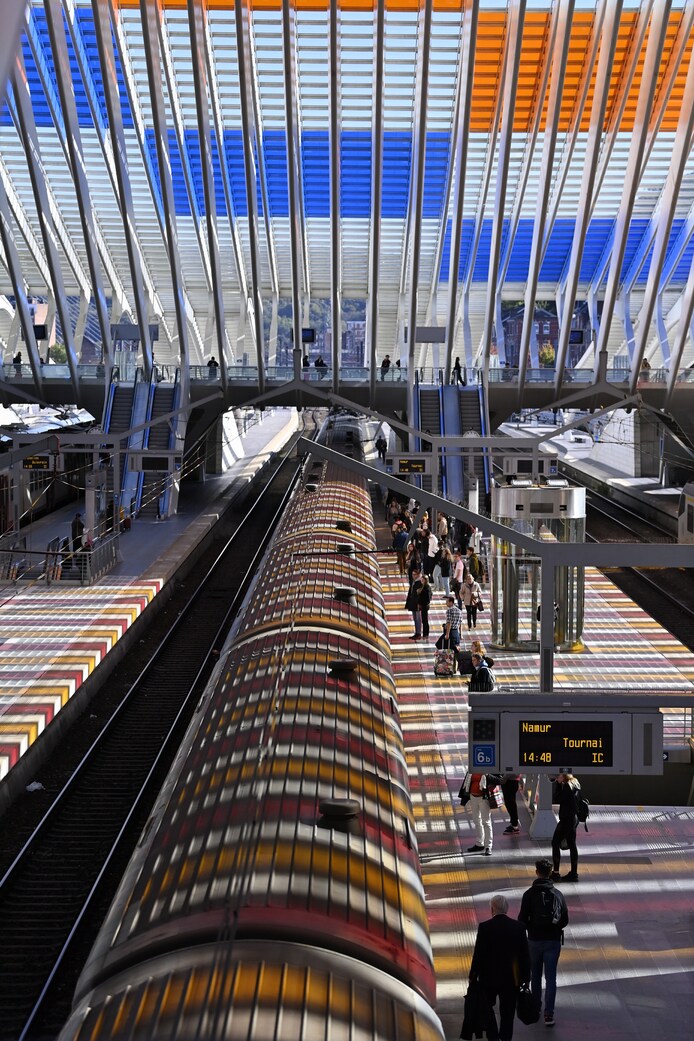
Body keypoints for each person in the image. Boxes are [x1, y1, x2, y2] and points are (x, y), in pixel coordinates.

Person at [469, 894, 530, 1041]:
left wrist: (473, 976)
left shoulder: (485, 928)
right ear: (507, 909)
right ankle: (505, 1037)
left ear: (492, 909)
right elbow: (525, 955)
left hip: (489, 978)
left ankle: (493, 1036)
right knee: (508, 1013)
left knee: (487, 1007)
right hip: (511, 979)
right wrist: (526, 977)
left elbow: (478, 955)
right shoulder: (519, 927)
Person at [518, 859, 569, 1028]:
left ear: (536, 872)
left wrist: (531, 929)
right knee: (551, 978)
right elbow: (565, 920)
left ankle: (536, 1008)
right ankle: (549, 1014)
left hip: (534, 940)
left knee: (535, 976)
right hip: (553, 941)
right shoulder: (558, 894)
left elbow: (521, 920)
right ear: (550, 872)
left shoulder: (529, 894)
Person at [551, 772, 582, 882]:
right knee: (572, 844)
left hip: (566, 819)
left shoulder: (567, 786)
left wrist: (558, 785)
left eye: (558, 775)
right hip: (574, 818)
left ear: (564, 775)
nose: (556, 778)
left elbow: (557, 798)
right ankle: (574, 873)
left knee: (555, 843)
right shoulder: (575, 782)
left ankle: (555, 873)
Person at [461, 772, 500, 855]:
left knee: (486, 822)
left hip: (484, 798)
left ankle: (488, 846)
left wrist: (487, 775)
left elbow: (499, 780)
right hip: (473, 797)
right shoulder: (472, 768)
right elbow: (467, 781)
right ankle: (479, 843)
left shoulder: (490, 769)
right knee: (476, 820)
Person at [405, 569, 431, 641]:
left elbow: (421, 595)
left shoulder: (420, 583)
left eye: (414, 574)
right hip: (413, 603)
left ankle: (418, 633)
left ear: (418, 575)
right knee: (415, 619)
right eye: (412, 574)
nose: (413, 576)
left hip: (418, 605)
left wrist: (418, 603)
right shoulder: (414, 581)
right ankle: (417, 632)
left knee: (418, 619)